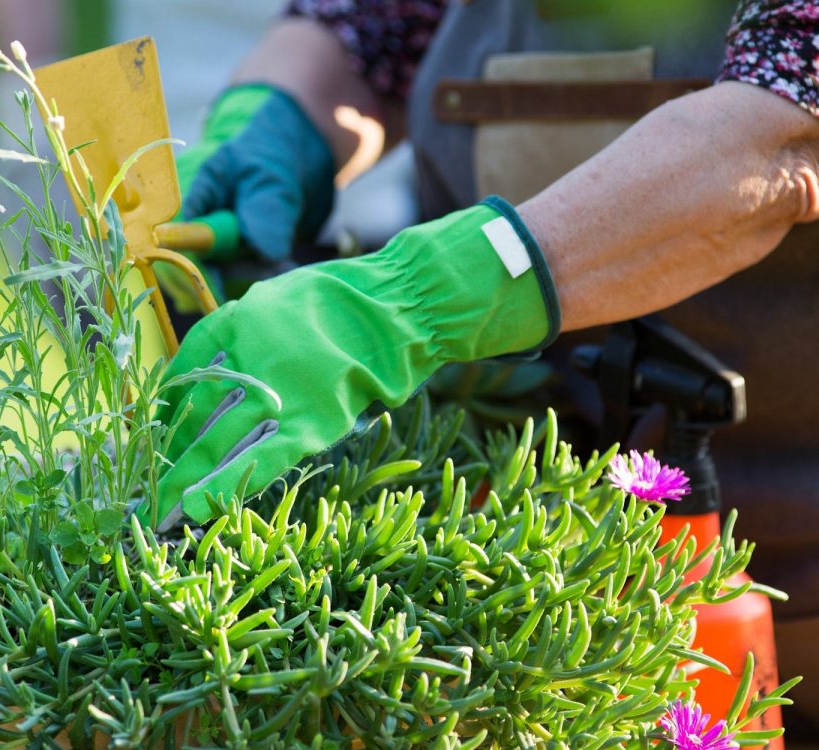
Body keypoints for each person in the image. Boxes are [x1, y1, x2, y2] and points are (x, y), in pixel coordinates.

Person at [142, 0, 819, 728]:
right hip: (543, 623)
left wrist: (413, 298)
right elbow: (371, 26)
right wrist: (270, 118)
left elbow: (779, 135)